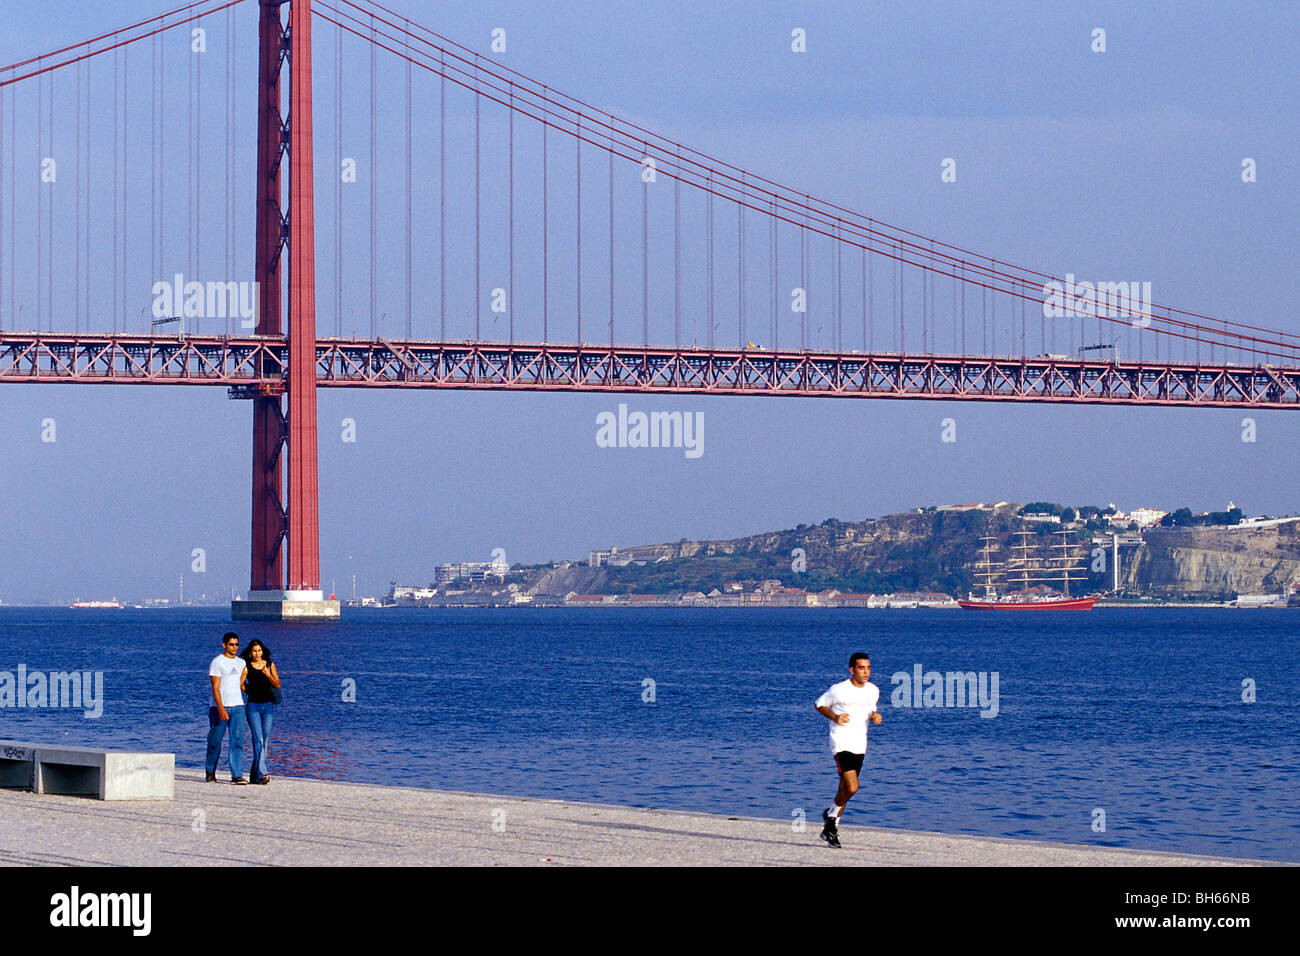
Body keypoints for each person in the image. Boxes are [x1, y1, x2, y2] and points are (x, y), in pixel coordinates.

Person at [813, 651, 883, 848]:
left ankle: (831, 828)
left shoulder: (873, 690)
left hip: (860, 743)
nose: (866, 672)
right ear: (852, 670)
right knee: (852, 786)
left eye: (868, 668)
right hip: (841, 742)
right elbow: (819, 705)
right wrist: (835, 717)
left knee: (844, 788)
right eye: (861, 668)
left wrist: (874, 717)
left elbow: (869, 711)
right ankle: (831, 816)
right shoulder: (839, 689)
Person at [206, 632, 249, 785]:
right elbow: (215, 688)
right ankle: (210, 772)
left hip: (238, 706)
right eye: (231, 644)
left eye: (237, 644)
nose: (234, 647)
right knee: (215, 741)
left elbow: (242, 685)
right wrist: (220, 707)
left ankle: (236, 775)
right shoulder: (217, 662)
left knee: (237, 741)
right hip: (219, 707)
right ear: (224, 645)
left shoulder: (241, 663)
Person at [241, 639, 280, 785]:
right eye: (254, 651)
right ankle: (263, 773)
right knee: (258, 739)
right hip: (253, 707)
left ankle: (254, 775)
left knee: (265, 740)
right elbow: (241, 684)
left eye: (259, 650)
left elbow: (277, 684)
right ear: (250, 653)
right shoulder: (247, 667)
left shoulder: (270, 664)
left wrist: (268, 674)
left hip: (268, 706)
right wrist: (250, 692)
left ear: (262, 651)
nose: (257, 653)